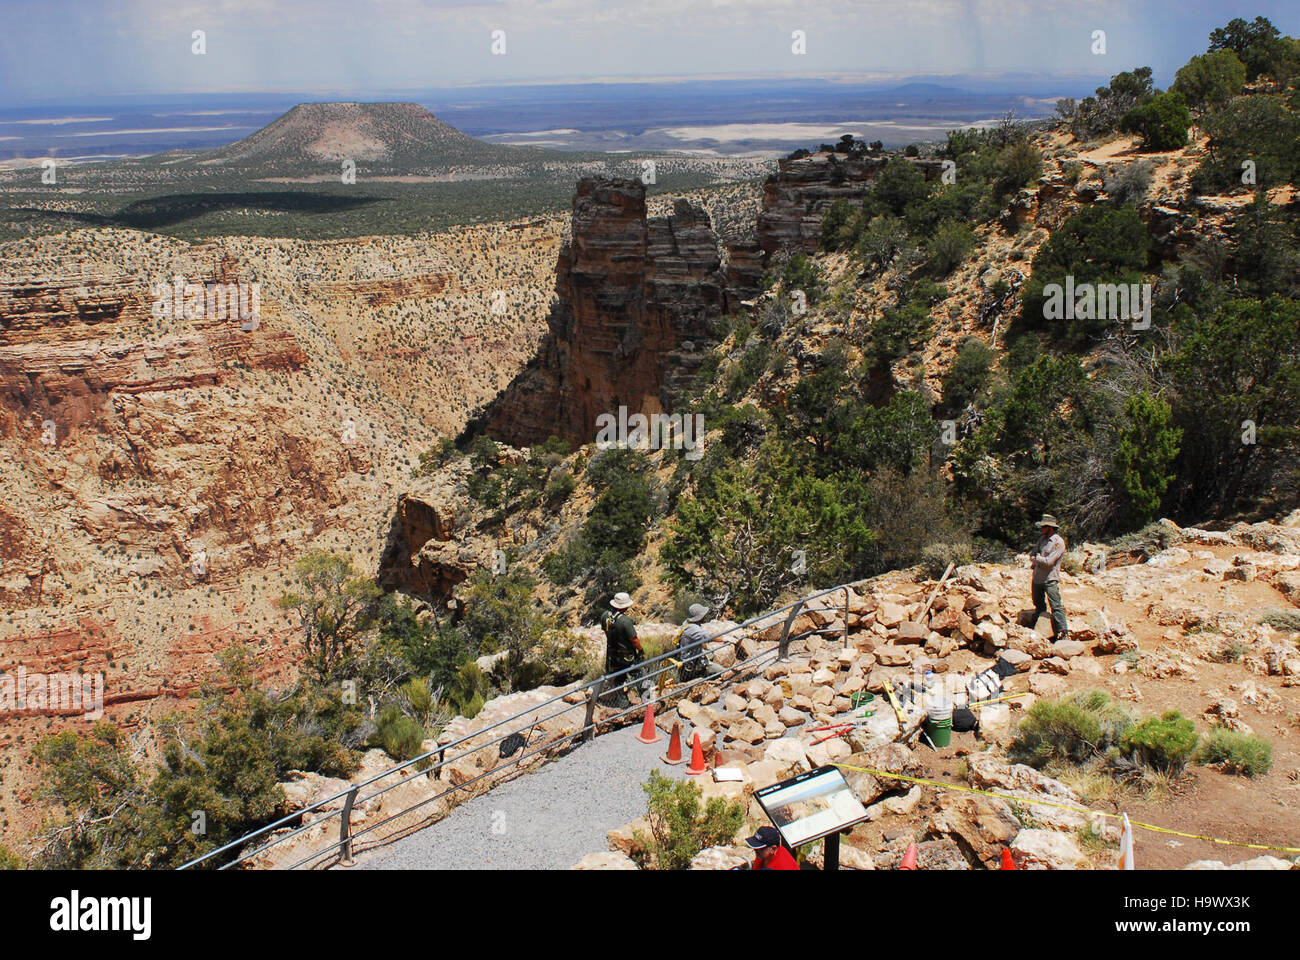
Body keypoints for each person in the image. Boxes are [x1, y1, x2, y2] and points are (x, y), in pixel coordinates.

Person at [600, 592, 648, 705]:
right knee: (639, 675)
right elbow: (634, 639)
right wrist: (641, 651)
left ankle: (623, 704)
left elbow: (607, 633)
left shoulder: (605, 616)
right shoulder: (625, 621)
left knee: (619, 679)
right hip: (627, 655)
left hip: (613, 655)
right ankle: (647, 699)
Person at [1030, 514, 1070, 642]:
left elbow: (1049, 562)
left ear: (1050, 527)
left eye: (1043, 527)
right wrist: (1037, 559)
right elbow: (1032, 554)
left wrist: (1037, 559)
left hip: (1050, 579)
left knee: (1056, 606)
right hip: (1037, 578)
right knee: (1038, 605)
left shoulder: (1058, 543)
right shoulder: (1042, 539)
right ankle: (1038, 628)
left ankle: (1063, 632)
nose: (1041, 529)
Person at [677, 603, 721, 683]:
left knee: (710, 653)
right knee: (724, 672)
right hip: (693, 664)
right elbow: (709, 636)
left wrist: (705, 647)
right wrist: (726, 638)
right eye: (704, 615)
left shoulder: (687, 623)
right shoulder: (693, 628)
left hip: (693, 657)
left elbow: (698, 638)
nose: (705, 616)